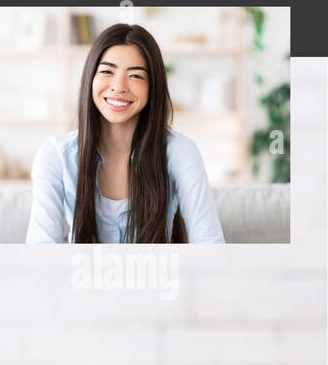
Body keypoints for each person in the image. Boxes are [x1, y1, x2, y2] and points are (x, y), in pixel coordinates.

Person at [26, 23, 225, 244]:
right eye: (107, 71)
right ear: (91, 77)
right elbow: (40, 255)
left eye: (136, 76)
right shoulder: (55, 156)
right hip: (81, 278)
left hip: (158, 277)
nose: (119, 87)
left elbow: (210, 246)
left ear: (152, 87)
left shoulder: (180, 152)